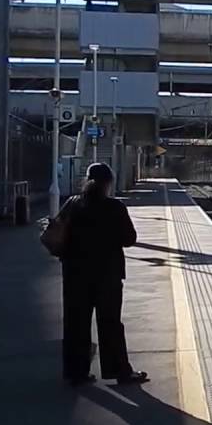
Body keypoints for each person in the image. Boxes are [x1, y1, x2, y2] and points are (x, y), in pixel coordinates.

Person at [58, 162, 148, 386]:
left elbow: (59, 233)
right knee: (110, 323)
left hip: (74, 274)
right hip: (107, 274)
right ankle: (119, 371)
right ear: (108, 183)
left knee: (75, 322)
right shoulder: (114, 207)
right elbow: (129, 239)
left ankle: (76, 373)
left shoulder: (72, 204)